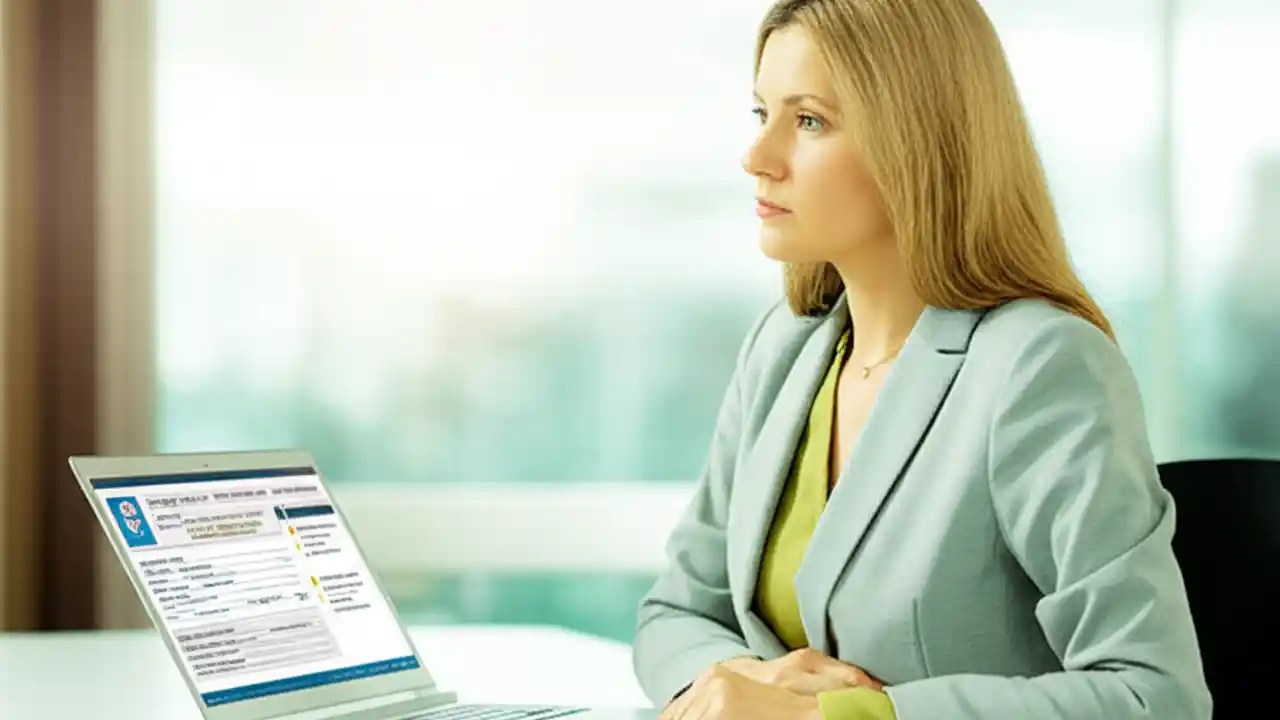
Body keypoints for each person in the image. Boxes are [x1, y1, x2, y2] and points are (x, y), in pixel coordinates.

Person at [631, 1, 1212, 718]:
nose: (758, 157)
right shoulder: (783, 349)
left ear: (915, 140)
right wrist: (741, 679)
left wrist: (844, 715)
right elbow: (674, 614)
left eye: (808, 120)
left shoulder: (1040, 366)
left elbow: (1155, 695)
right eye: (762, 115)